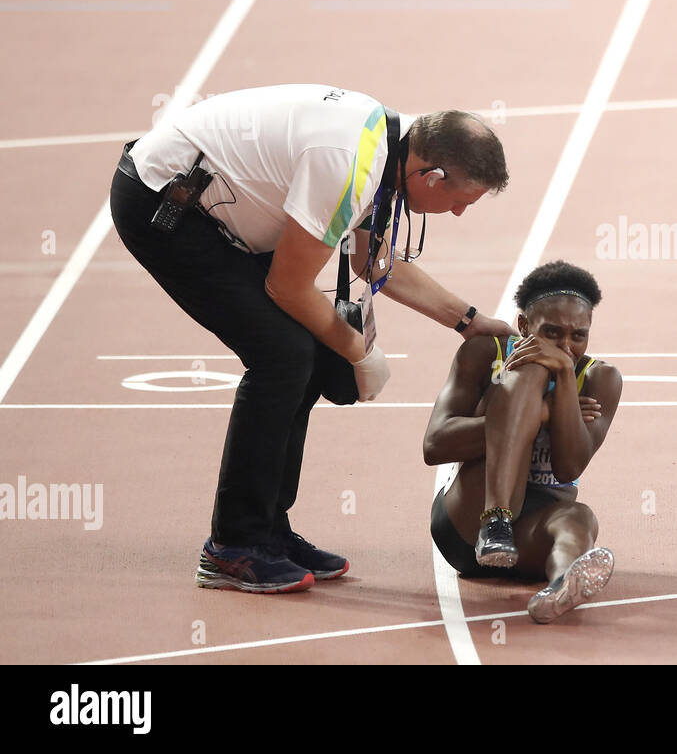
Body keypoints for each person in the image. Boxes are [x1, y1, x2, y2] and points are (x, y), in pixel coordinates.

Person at [109, 83, 514, 594]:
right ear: (431, 176)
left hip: (220, 207)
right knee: (283, 356)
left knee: (301, 356)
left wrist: (468, 320)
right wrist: (357, 351)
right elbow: (288, 286)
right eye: (460, 201)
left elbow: (373, 259)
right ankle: (233, 546)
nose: (458, 213)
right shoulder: (349, 166)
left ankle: (268, 532)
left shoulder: (398, 144)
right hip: (165, 205)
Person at [424, 261, 623, 623]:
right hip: (466, 522)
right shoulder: (486, 353)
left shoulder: (599, 378)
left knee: (580, 518)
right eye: (551, 333)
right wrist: (538, 412)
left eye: (578, 335)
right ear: (524, 326)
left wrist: (563, 378)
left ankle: (561, 585)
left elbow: (569, 467)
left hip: (531, 534)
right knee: (527, 371)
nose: (565, 346)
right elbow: (435, 445)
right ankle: (495, 520)